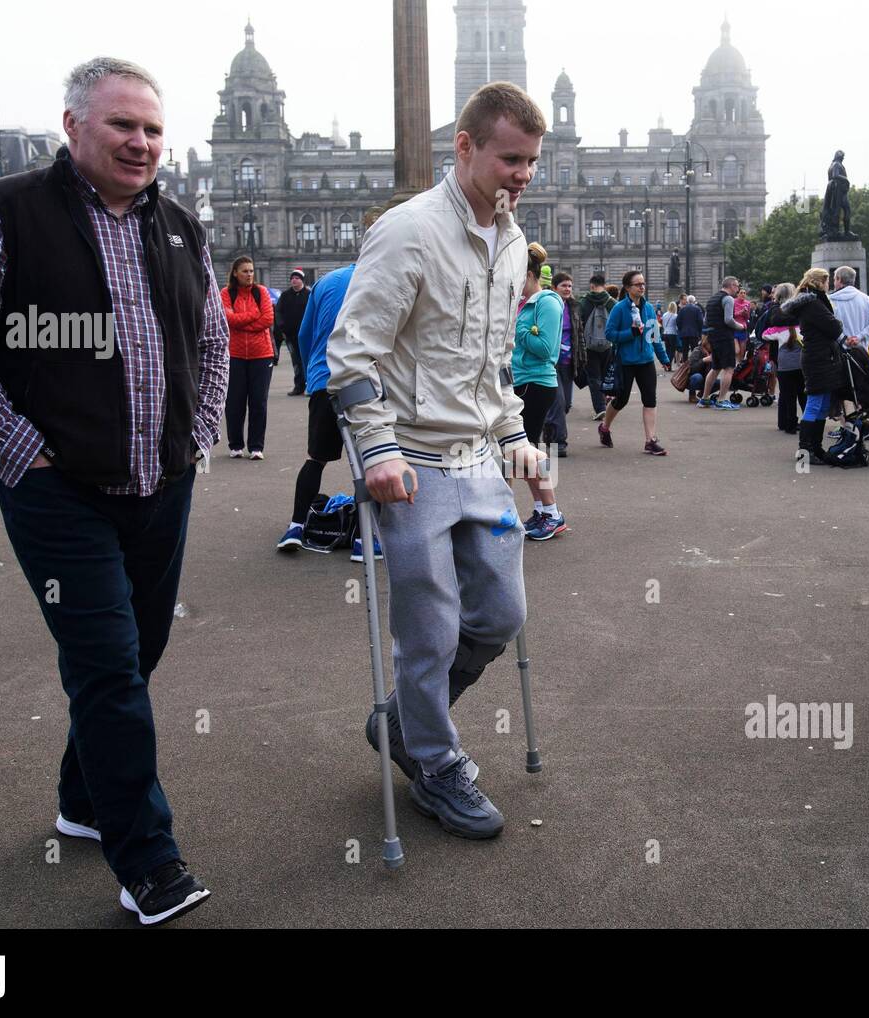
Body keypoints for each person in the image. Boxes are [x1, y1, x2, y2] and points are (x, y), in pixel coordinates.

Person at [0, 57, 229, 923]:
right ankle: (149, 861)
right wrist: (20, 449)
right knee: (108, 665)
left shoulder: (180, 223)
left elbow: (208, 339)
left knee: (137, 654)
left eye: (153, 128)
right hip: (61, 490)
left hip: (162, 480)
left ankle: (83, 800)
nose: (141, 142)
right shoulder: (2, 213)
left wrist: (199, 431)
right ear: (73, 125)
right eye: (123, 124)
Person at [328, 81, 546, 839]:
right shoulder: (409, 231)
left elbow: (494, 359)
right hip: (412, 462)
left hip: (480, 457)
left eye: (531, 161)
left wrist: (515, 435)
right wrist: (376, 449)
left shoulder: (513, 241)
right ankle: (434, 759)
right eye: (510, 159)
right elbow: (352, 353)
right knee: (430, 630)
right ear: (465, 146)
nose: (523, 175)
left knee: (501, 614)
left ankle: (402, 722)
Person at [277, 208, 385, 558]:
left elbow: (304, 335)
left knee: (316, 459)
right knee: (370, 459)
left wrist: (315, 372)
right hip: (365, 383)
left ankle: (295, 526)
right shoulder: (382, 283)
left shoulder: (326, 282)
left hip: (324, 381)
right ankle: (364, 540)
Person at [513, 241, 566, 540]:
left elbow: (546, 349)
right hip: (523, 381)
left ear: (529, 275)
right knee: (521, 452)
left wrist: (519, 330)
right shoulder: (525, 303)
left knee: (527, 452)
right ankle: (542, 510)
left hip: (537, 383)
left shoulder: (547, 302)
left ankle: (553, 513)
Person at [771, 269, 848, 463]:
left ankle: (815, 448)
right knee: (815, 403)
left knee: (821, 404)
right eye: (827, 281)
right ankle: (806, 450)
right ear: (820, 282)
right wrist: (836, 323)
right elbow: (834, 327)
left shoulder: (811, 302)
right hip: (818, 357)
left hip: (819, 355)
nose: (829, 285)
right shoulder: (813, 303)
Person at [598, 268, 670, 454]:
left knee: (650, 400)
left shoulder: (648, 308)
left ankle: (650, 440)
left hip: (646, 360)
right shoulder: (619, 308)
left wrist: (663, 358)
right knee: (621, 400)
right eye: (638, 284)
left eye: (643, 283)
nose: (642, 287)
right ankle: (604, 427)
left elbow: (654, 336)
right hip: (626, 361)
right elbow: (609, 334)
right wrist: (630, 333)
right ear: (628, 287)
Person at [221, 256, 275, 459]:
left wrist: (241, 323)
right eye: (245, 271)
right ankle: (235, 445)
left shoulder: (261, 292)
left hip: (261, 355)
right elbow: (228, 319)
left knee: (258, 402)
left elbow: (268, 319)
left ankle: (256, 447)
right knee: (234, 402)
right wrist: (254, 315)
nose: (249, 274)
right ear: (235, 273)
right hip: (235, 355)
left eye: (251, 271)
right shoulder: (226, 293)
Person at [542, 270, 587, 459]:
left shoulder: (574, 307)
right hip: (551, 362)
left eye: (570, 286)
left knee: (566, 404)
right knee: (558, 402)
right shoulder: (547, 305)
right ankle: (558, 443)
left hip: (569, 362)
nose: (568, 289)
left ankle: (547, 428)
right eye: (564, 286)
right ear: (554, 287)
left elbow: (579, 333)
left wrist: (582, 358)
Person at [766, 282, 803, 433]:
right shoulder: (797, 311)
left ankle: (785, 422)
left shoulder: (773, 310)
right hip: (797, 354)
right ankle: (804, 422)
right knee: (801, 391)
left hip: (779, 353)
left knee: (786, 392)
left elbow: (766, 331)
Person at [700, 278, 742, 410]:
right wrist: (740, 326)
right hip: (724, 336)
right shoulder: (728, 299)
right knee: (729, 368)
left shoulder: (712, 299)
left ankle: (704, 399)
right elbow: (728, 320)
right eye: (737, 286)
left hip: (713, 336)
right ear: (732, 285)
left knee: (715, 368)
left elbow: (706, 320)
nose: (738, 289)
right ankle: (721, 400)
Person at [578, 272, 615, 420]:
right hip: (608, 345)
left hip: (588, 346)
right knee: (605, 376)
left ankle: (600, 408)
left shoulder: (583, 302)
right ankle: (606, 401)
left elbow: (577, 323)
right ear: (604, 286)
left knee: (594, 377)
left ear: (592, 286)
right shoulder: (612, 302)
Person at [828, 266, 869, 361]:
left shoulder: (830, 300)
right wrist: (858, 337)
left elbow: (829, 326)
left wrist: (844, 340)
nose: (834, 283)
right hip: (861, 352)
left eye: (834, 279)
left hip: (838, 353)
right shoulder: (866, 299)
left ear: (839, 279)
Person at [273, 267, 310, 395]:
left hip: (306, 335)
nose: (294, 280)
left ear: (302, 280)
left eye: (297, 278)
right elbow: (278, 312)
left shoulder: (309, 294)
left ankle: (310, 386)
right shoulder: (285, 295)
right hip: (291, 335)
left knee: (308, 360)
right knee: (296, 361)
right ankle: (299, 386)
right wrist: (282, 326)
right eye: (292, 278)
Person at [675, 292, 704, 365]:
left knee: (685, 351)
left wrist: (681, 329)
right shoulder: (697, 309)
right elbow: (701, 321)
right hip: (694, 333)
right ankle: (693, 365)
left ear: (687, 301)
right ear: (694, 301)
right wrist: (699, 331)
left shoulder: (682, 309)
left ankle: (684, 365)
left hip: (684, 333)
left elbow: (678, 321)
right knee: (695, 350)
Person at [662, 300, 679, 364]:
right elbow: (677, 326)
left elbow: (663, 324)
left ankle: (666, 363)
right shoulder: (675, 315)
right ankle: (669, 364)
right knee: (672, 350)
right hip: (672, 334)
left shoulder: (664, 315)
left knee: (667, 349)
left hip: (665, 333)